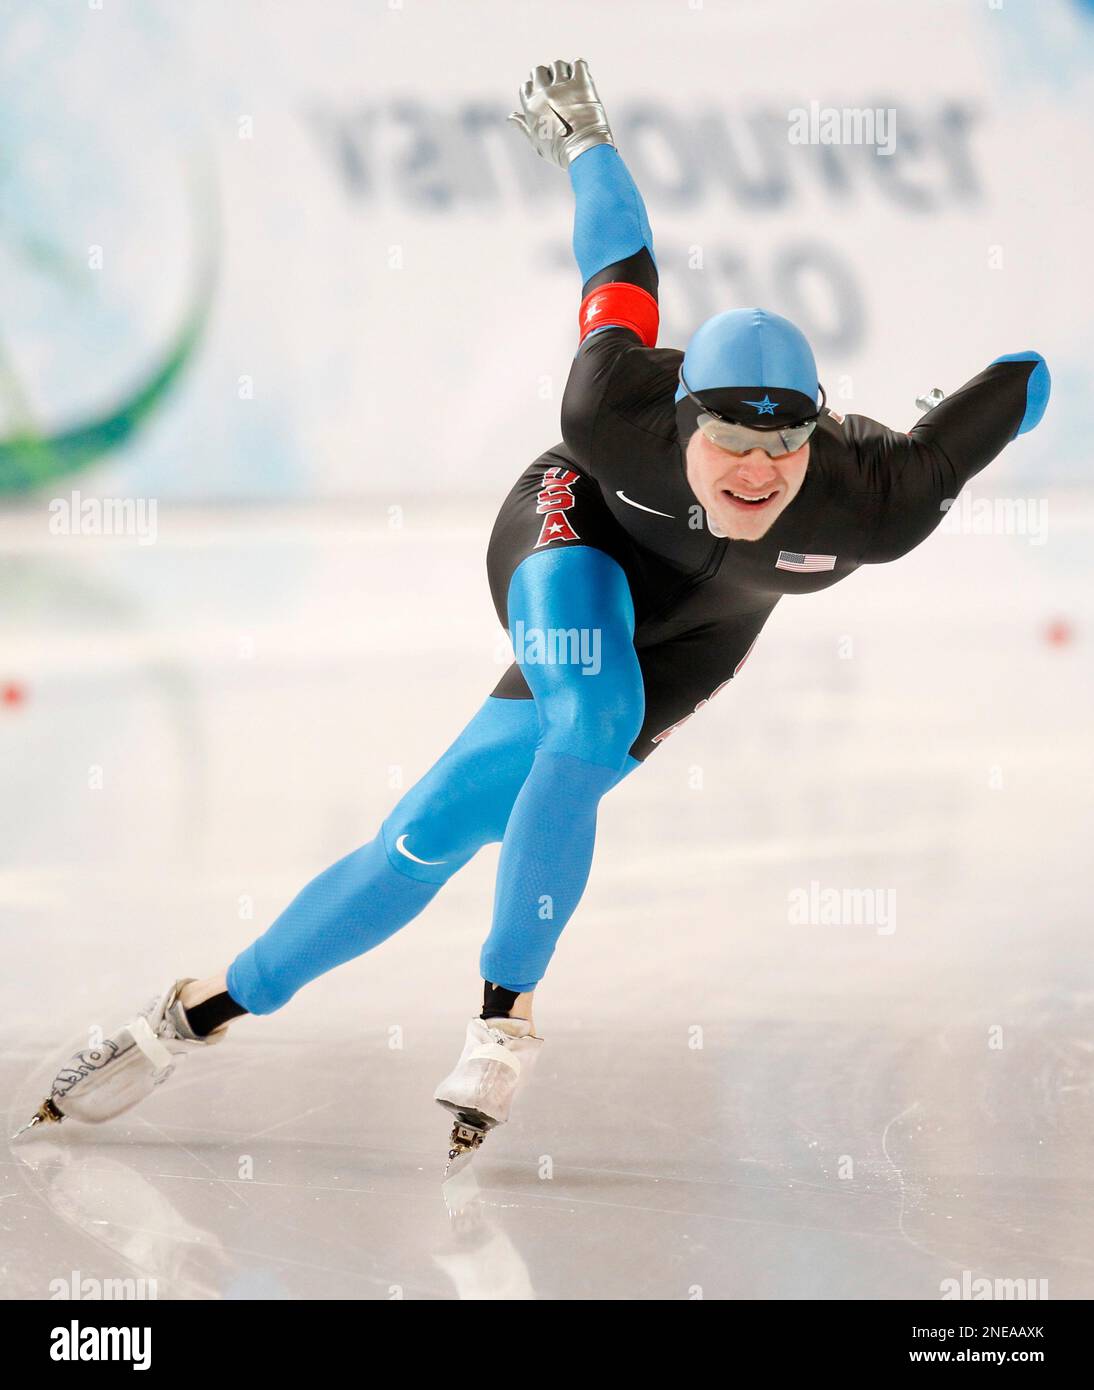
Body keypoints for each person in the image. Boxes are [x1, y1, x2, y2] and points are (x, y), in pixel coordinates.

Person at [18, 61, 1050, 1167]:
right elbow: (619, 262)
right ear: (681, 417)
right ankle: (502, 1021)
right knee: (586, 717)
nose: (754, 475)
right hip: (573, 541)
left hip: (706, 632)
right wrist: (584, 142)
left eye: (782, 451)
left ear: (819, 436)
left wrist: (963, 410)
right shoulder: (613, 404)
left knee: (423, 836)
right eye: (730, 446)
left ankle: (191, 1011)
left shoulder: (881, 498)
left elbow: (1025, 375)